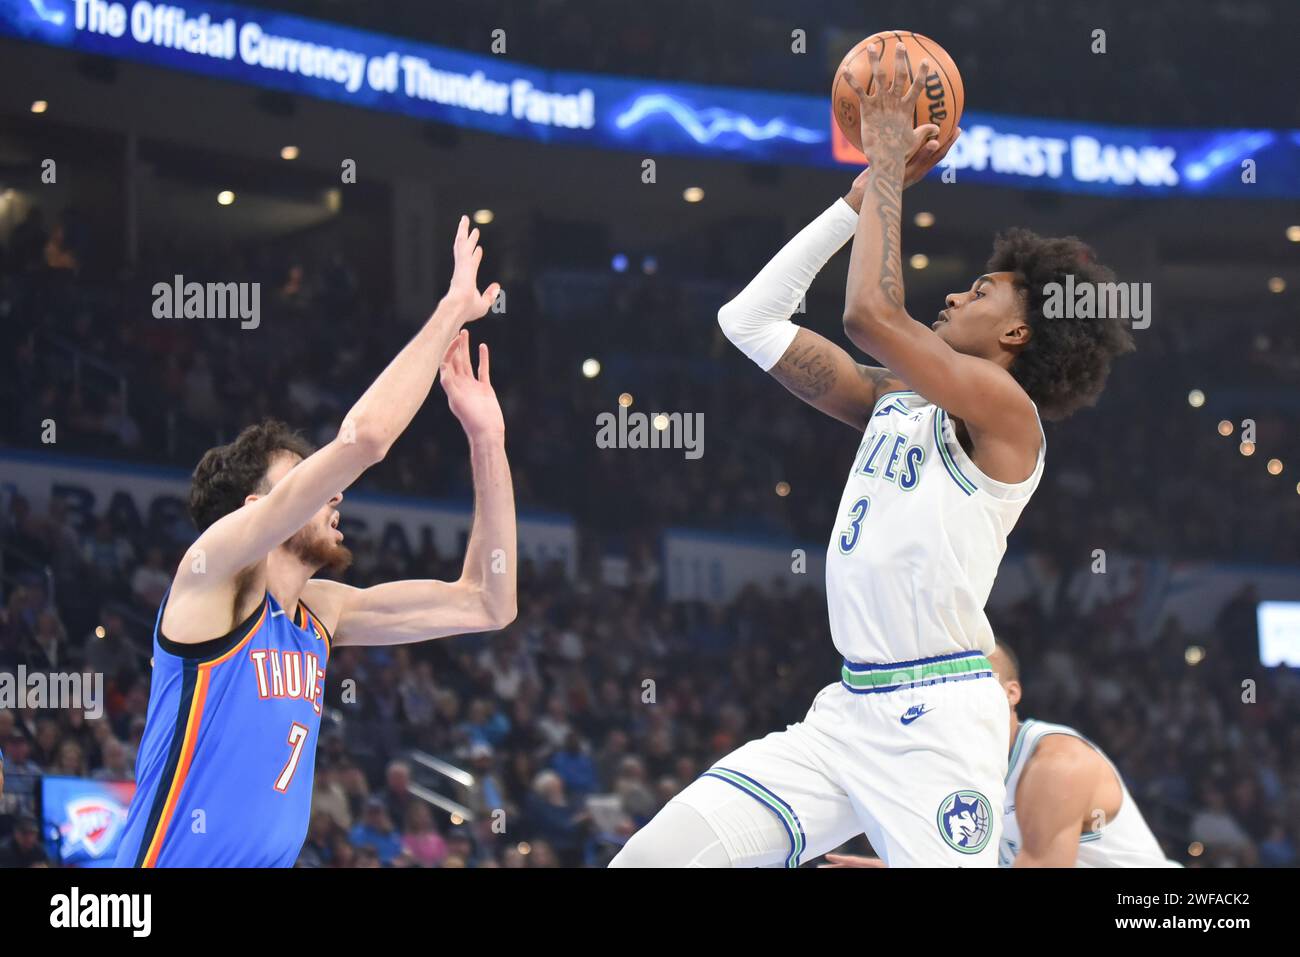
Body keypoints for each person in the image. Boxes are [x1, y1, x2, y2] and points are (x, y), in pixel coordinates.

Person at [612, 41, 1133, 868]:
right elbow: (748, 321)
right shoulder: (896, 399)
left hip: (939, 724)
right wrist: (856, 200)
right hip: (847, 711)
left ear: (1015, 333)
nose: (958, 292)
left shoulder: (1009, 416)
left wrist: (888, 156)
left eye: (983, 290)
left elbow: (868, 315)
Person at [114, 218, 517, 867]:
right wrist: (450, 311)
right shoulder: (212, 574)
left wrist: (487, 440)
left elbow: (486, 601)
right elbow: (365, 441)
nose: (333, 495)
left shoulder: (321, 612)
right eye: (303, 483)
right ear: (255, 507)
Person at [823, 643, 1179, 867]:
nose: (966, 698)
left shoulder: (1056, 764)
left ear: (1012, 693)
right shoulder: (956, 767)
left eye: (981, 684)